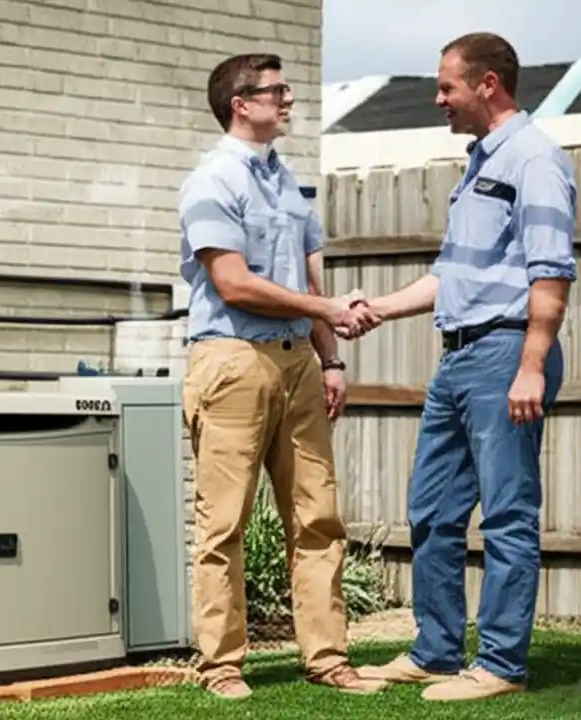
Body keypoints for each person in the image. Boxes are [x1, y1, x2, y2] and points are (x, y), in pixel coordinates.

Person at [353, 32, 577, 702]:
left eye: (447, 85)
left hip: (507, 351)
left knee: (507, 513)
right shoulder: (482, 163)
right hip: (458, 358)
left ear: (488, 84)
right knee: (431, 509)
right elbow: (451, 278)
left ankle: (503, 665)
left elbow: (551, 273)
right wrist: (376, 309)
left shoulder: (534, 159)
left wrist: (531, 365)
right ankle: (436, 651)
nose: (437, 98)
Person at [177, 51, 386, 700]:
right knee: (223, 526)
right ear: (242, 104)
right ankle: (222, 666)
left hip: (299, 363)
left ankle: (328, 659)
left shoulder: (286, 181)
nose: (289, 99)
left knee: (318, 516)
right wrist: (325, 310)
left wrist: (331, 359)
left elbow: (309, 275)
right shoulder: (214, 179)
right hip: (232, 361)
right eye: (278, 91)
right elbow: (233, 283)